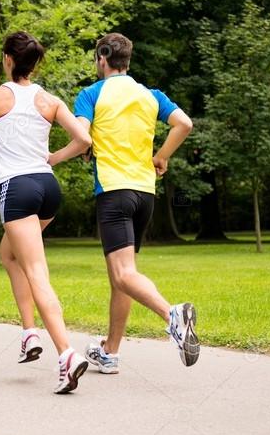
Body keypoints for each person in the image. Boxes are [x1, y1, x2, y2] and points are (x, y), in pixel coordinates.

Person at [0, 31, 93, 394]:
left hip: (17, 189)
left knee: (36, 271)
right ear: (34, 64)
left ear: (7, 58)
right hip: (48, 189)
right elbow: (84, 140)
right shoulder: (49, 100)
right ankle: (28, 332)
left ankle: (67, 354)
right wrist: (54, 157)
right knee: (9, 255)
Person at [72, 32, 199, 374]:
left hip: (114, 191)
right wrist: (161, 157)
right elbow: (184, 124)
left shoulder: (91, 94)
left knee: (123, 273)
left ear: (102, 57)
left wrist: (80, 149)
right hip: (144, 193)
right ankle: (110, 351)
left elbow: (82, 135)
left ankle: (172, 315)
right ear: (126, 60)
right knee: (122, 276)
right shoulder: (150, 95)